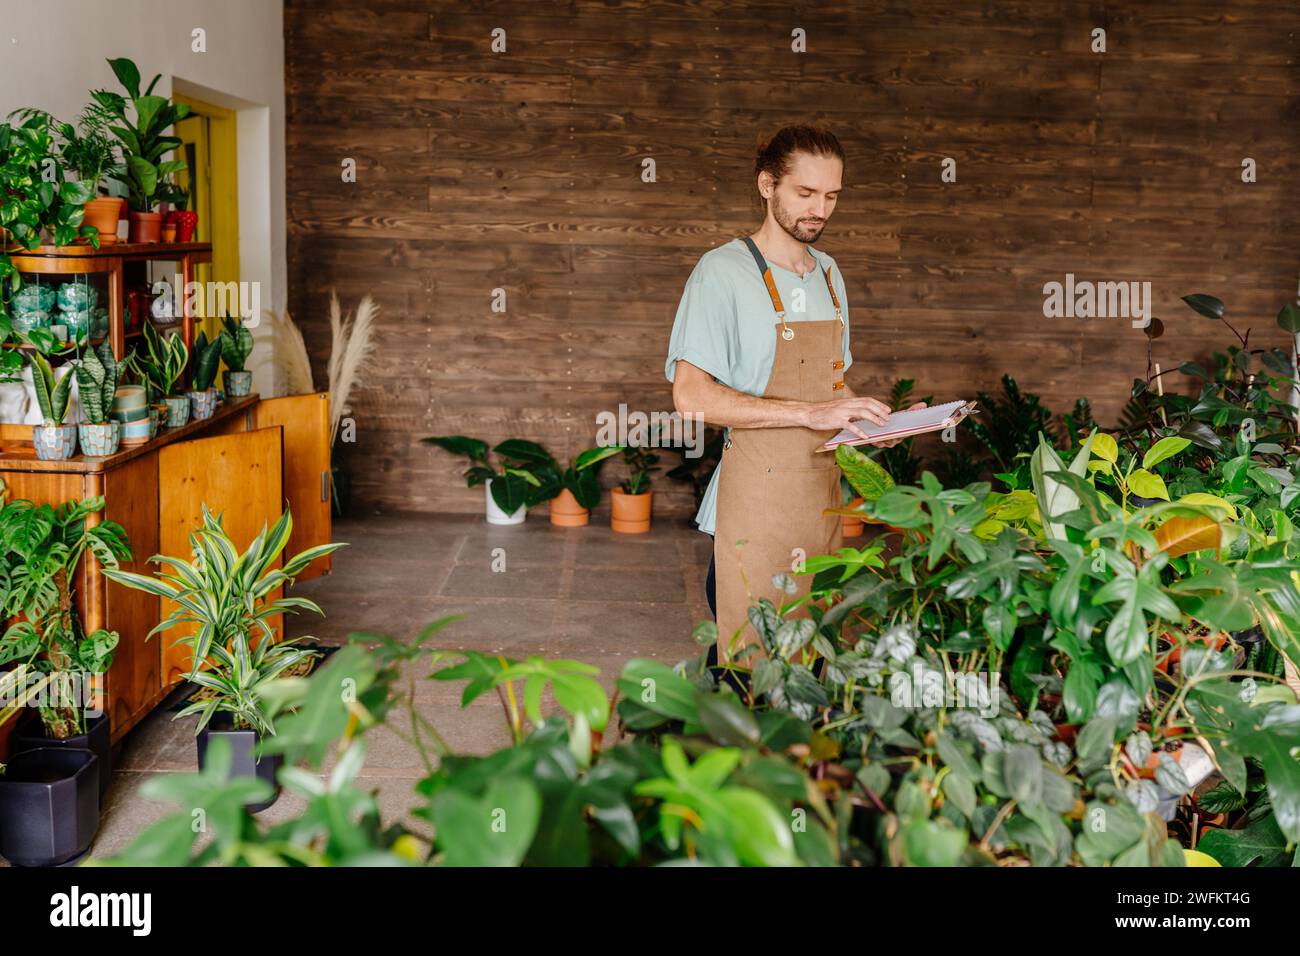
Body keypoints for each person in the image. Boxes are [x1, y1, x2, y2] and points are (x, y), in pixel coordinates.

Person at [664, 125, 924, 685]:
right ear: (767, 185)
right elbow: (690, 395)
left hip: (821, 499)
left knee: (814, 652)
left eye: (831, 195)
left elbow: (832, 394)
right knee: (746, 662)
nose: (820, 209)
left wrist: (876, 421)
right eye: (805, 194)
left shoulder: (830, 274)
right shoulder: (722, 272)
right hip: (755, 498)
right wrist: (807, 415)